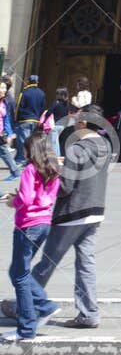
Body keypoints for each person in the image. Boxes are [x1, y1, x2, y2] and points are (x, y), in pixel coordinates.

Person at [8, 102, 113, 330]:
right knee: (86, 264)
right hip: (95, 212)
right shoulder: (105, 145)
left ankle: (25, 307)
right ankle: (90, 313)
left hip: (72, 214)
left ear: (84, 123)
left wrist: (49, 179)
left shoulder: (77, 149)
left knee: (47, 263)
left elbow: (65, 187)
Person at [1, 128, 61, 343]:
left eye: (26, 150)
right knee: (19, 272)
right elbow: (42, 197)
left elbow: (26, 199)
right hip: (44, 223)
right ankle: (42, 308)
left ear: (32, 151)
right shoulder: (54, 170)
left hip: (27, 225)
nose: (25, 154)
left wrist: (12, 202)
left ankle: (29, 324)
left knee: (19, 275)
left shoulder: (29, 169)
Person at [13, 76, 46, 162]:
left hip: (24, 120)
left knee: (23, 141)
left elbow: (18, 108)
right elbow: (43, 108)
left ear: (28, 81)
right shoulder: (42, 93)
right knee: (31, 141)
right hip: (35, 121)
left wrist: (15, 119)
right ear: (37, 82)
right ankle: (26, 159)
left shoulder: (24, 92)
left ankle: (22, 159)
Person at [0, 80, 19, 180]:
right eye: (2, 87)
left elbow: (6, 119)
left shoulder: (4, 103)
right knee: (4, 152)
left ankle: (16, 172)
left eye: (5, 88)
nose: (4, 90)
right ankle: (15, 171)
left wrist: (10, 133)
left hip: (1, 134)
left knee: (4, 152)